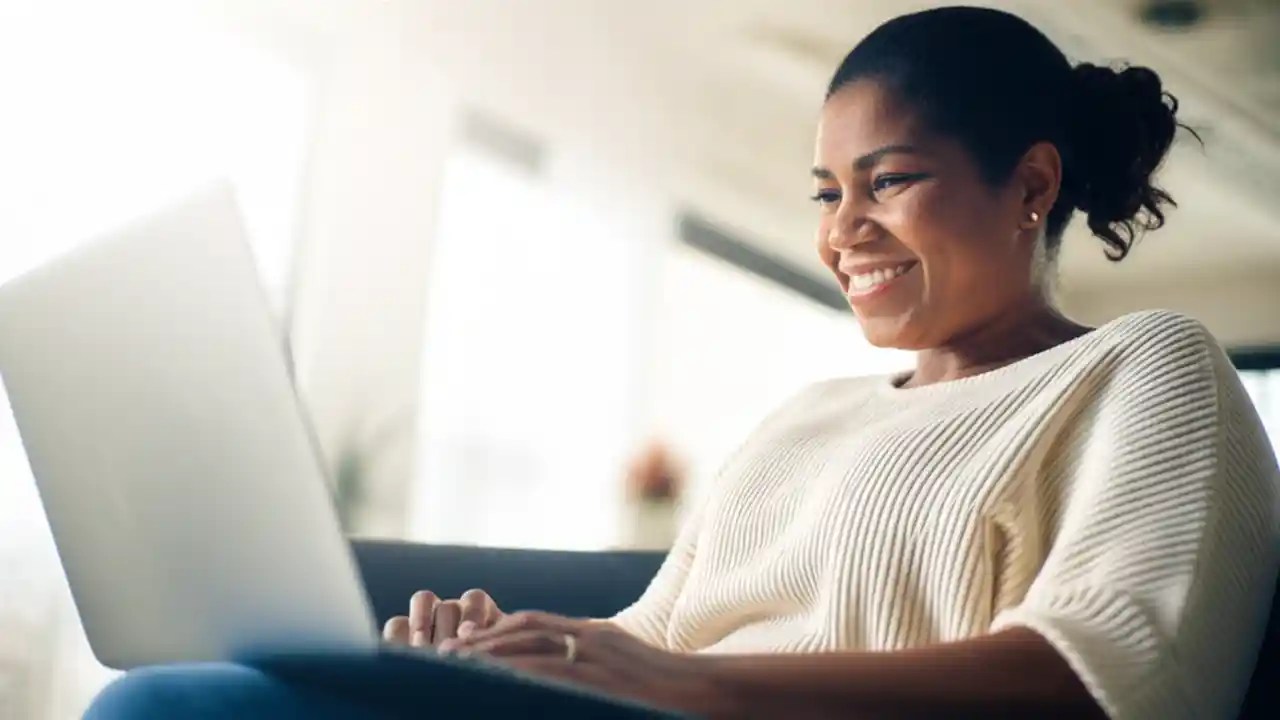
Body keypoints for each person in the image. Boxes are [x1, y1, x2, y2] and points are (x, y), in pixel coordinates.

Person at [86, 6, 1278, 719]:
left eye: (889, 181)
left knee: (180, 711)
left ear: (1029, 184)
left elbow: (1106, 673)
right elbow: (655, 636)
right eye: (825, 193)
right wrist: (510, 642)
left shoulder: (1141, 368)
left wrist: (702, 692)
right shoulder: (807, 414)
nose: (841, 230)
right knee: (192, 696)